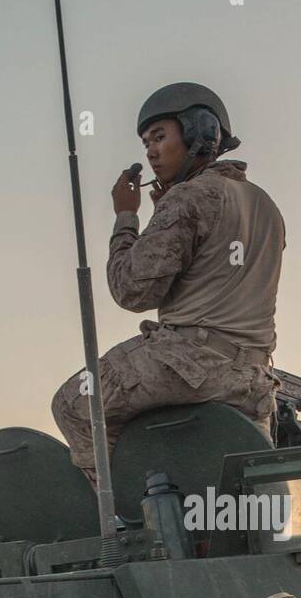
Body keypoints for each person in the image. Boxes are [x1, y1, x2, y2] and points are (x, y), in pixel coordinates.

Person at [52, 83, 286, 490]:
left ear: (200, 133)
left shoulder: (189, 198)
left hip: (188, 361)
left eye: (159, 137)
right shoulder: (264, 204)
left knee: (74, 403)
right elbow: (213, 269)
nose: (151, 152)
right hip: (253, 376)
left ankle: (126, 522)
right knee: (246, 493)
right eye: (146, 144)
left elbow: (133, 291)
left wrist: (127, 217)